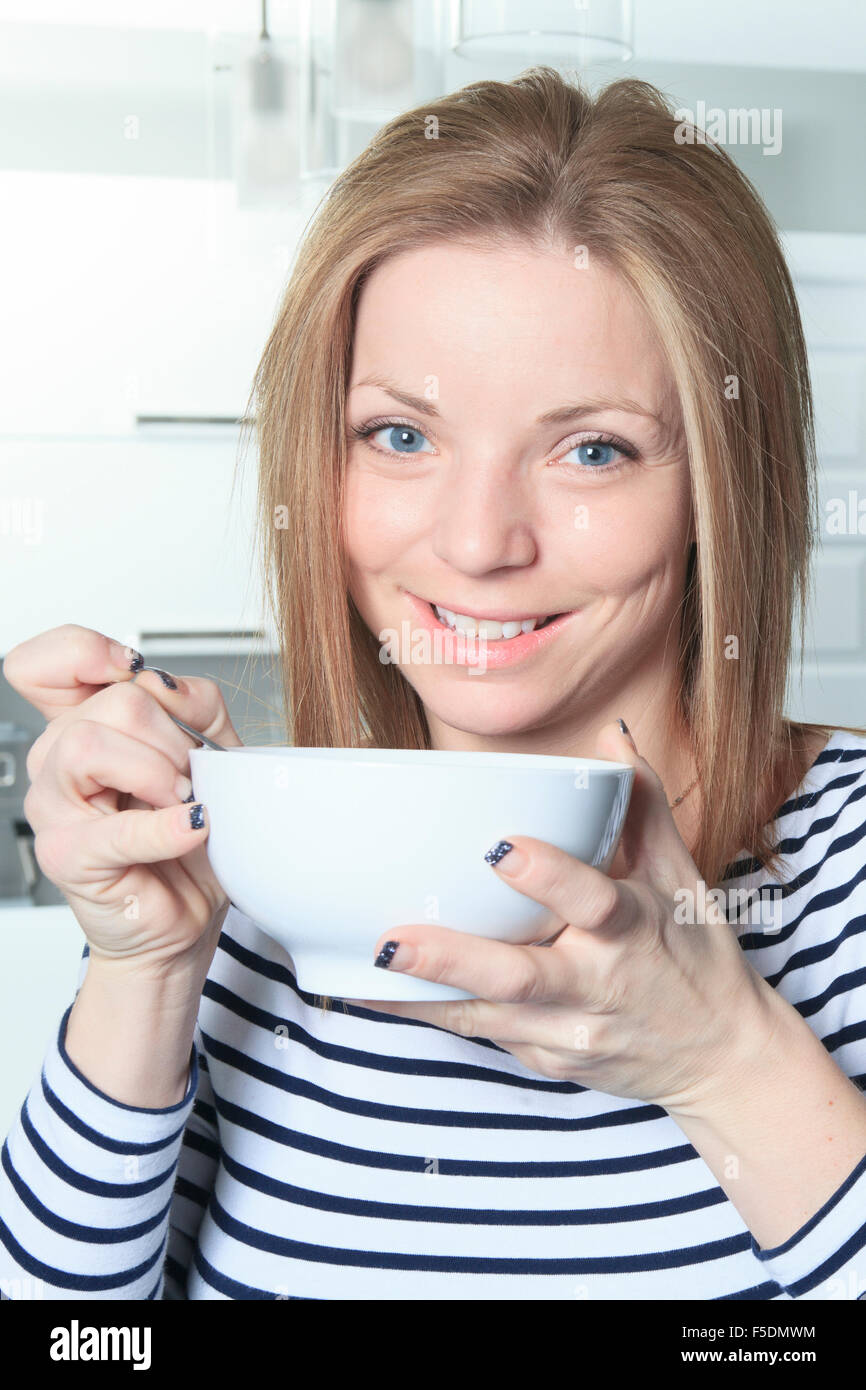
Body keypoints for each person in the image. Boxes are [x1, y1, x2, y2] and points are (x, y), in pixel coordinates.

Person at [2, 67, 866, 1301]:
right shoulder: (248, 895)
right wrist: (143, 970)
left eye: (590, 449)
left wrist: (723, 1058)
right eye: (399, 435)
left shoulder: (845, 873)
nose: (476, 543)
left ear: (719, 486)